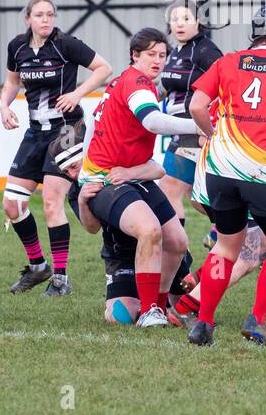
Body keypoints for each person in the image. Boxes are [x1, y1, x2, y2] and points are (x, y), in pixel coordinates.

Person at [186, 5, 266, 347]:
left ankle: (203, 323)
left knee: (226, 246)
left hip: (223, 169)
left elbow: (196, 106)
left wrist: (213, 134)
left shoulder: (227, 60)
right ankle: (256, 320)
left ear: (253, 33)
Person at [76, 28, 197, 327]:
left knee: (177, 240)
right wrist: (200, 126)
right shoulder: (137, 82)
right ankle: (148, 310)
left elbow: (94, 125)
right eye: (151, 54)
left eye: (162, 55)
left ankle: (156, 306)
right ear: (135, 55)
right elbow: (152, 122)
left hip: (128, 177)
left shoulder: (122, 82)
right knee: (150, 230)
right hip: (107, 180)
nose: (158, 61)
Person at [0, 0, 112, 296]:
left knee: (51, 202)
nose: (46, 20)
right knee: (12, 205)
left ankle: (61, 278)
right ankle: (38, 267)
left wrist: (77, 94)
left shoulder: (66, 44)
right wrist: (4, 106)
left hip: (67, 130)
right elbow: (12, 82)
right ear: (28, 19)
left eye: (50, 14)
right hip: (36, 132)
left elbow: (103, 68)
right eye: (39, 15)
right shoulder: (17, 47)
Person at [157, 0, 223, 228]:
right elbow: (166, 87)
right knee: (196, 198)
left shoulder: (206, 50)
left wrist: (209, 128)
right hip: (178, 129)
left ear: (198, 21)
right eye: (175, 19)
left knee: (170, 188)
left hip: (196, 130)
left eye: (186, 18)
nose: (180, 24)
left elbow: (226, 88)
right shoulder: (176, 51)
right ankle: (237, 231)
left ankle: (178, 256)